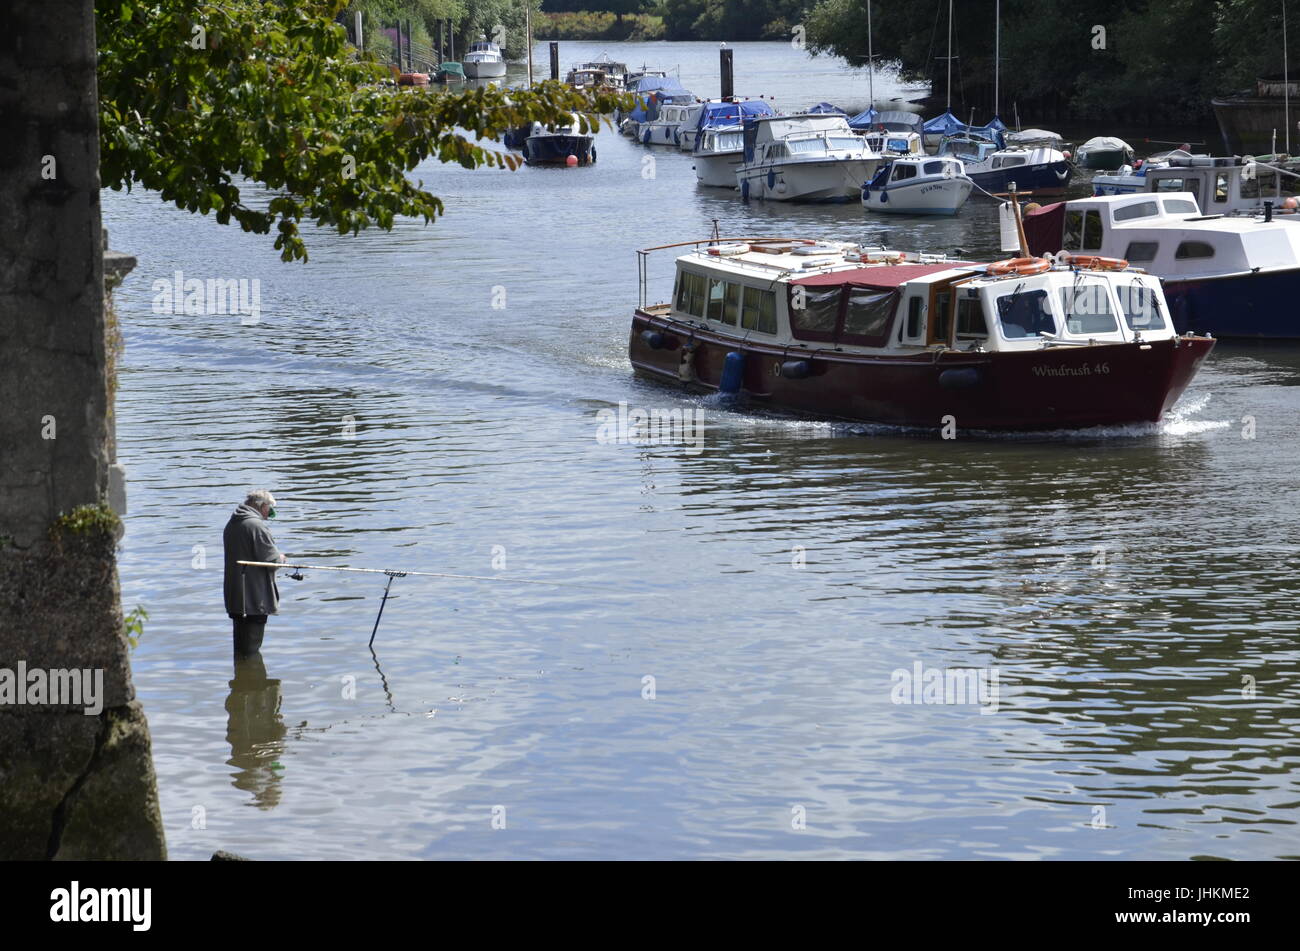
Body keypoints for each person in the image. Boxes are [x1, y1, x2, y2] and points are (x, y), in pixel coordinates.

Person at [223, 489, 285, 655]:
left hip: (236, 599)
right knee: (251, 650)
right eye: (269, 508)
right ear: (262, 506)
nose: (269, 513)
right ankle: (253, 676)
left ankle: (246, 679)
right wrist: (281, 558)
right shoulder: (256, 526)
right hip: (254, 599)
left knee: (241, 649)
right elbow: (272, 562)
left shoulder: (233, 523)